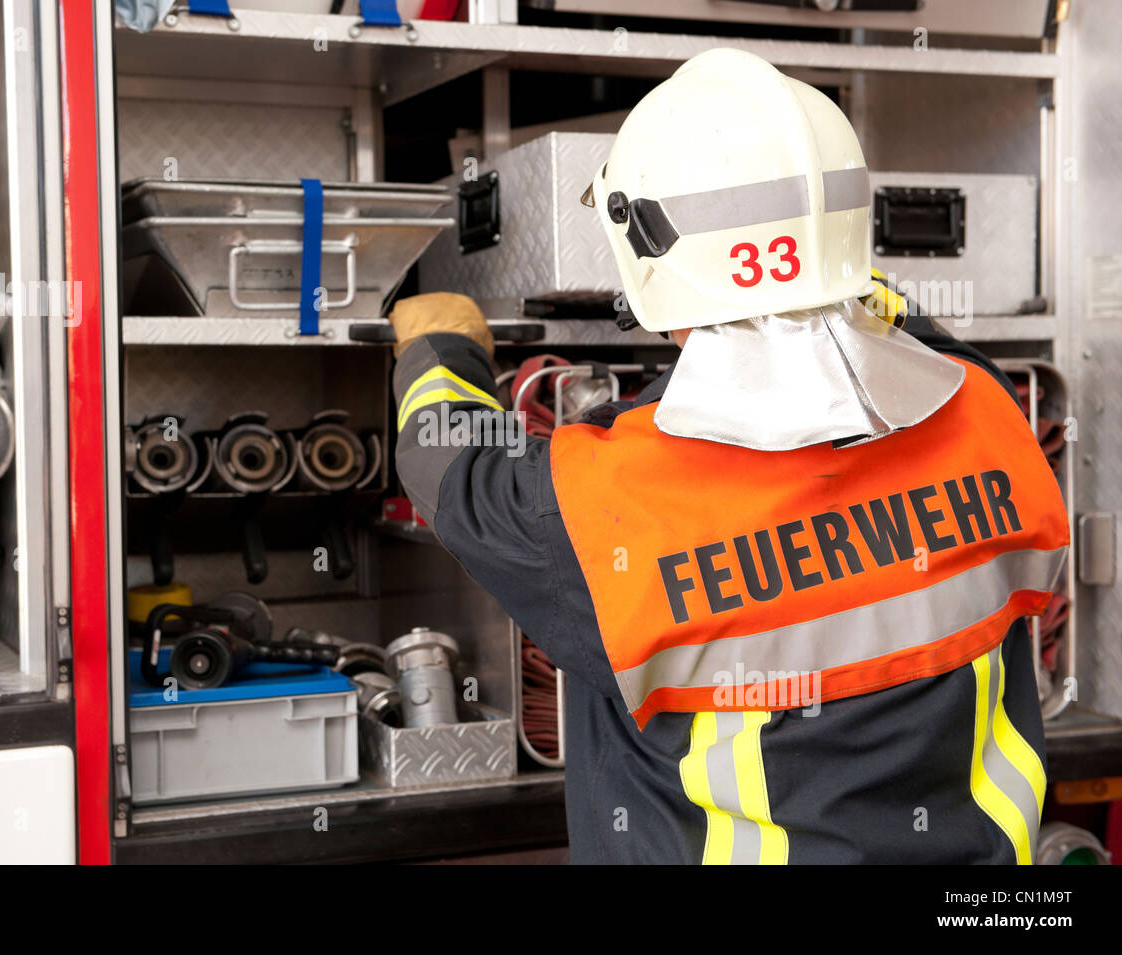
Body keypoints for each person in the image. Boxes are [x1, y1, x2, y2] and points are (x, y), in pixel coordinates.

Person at [386, 48, 1069, 864]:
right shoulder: (989, 407)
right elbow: (901, 329)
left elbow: (451, 463)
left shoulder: (606, 501)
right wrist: (827, 269)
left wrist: (438, 354)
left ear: (645, 249)